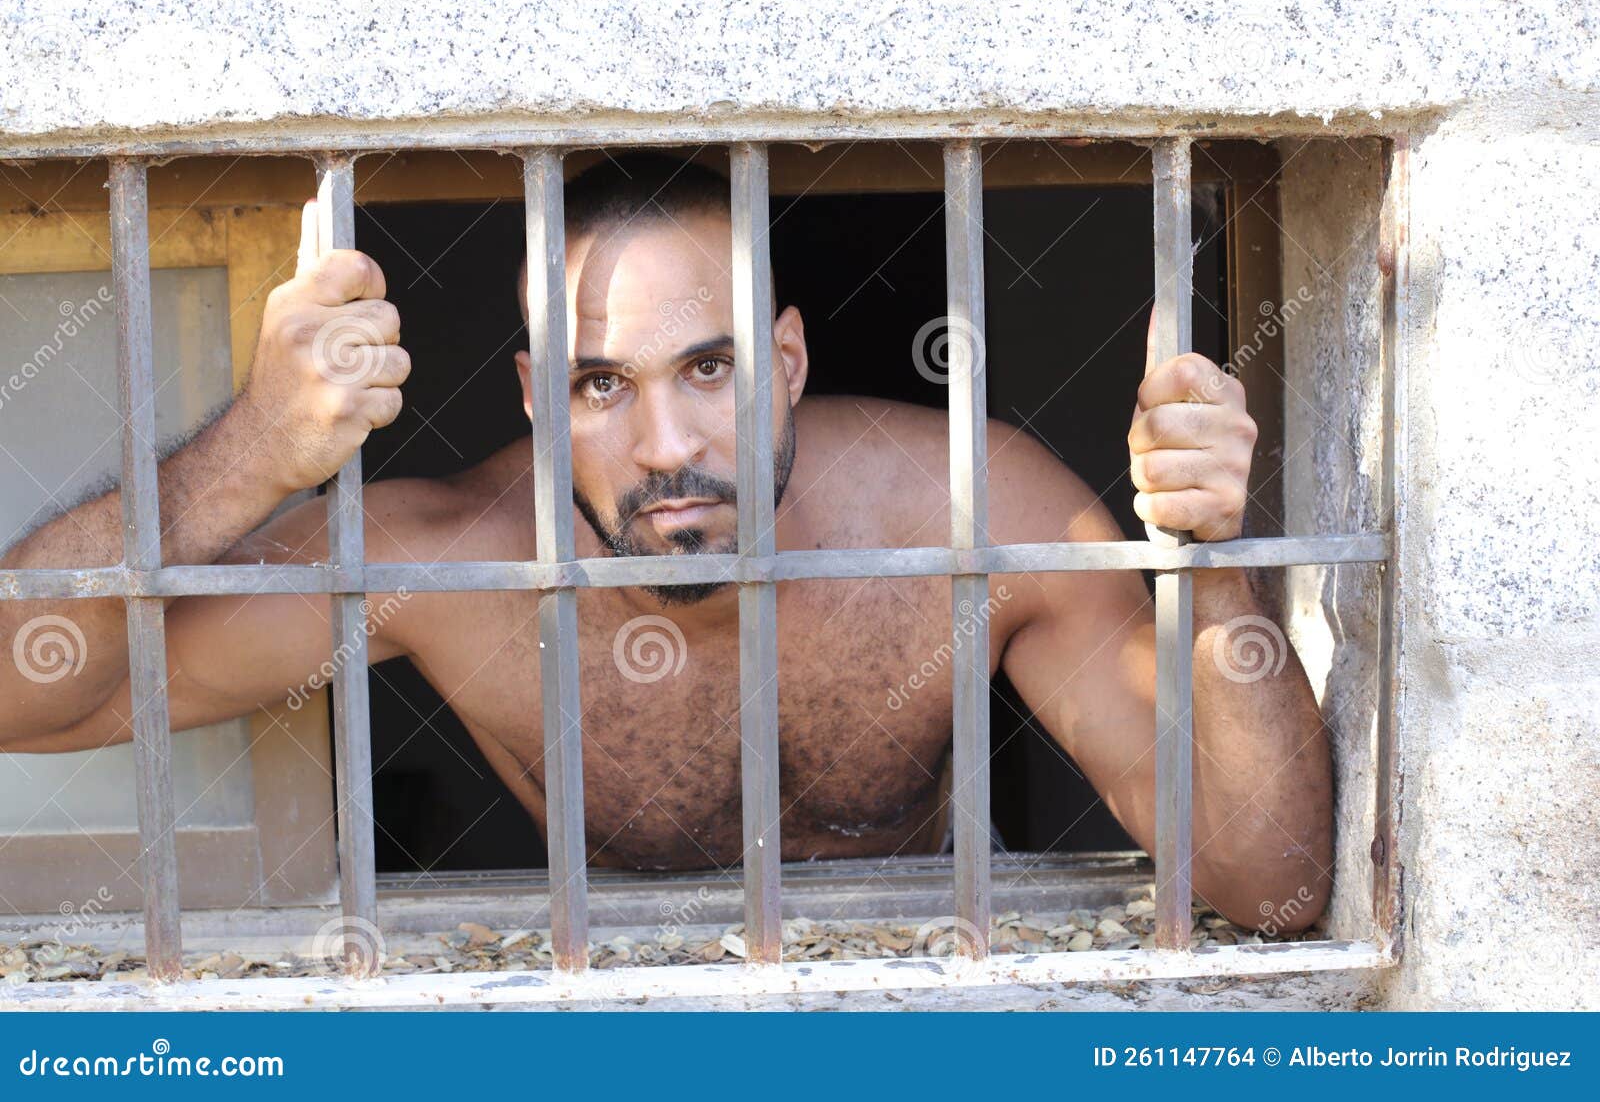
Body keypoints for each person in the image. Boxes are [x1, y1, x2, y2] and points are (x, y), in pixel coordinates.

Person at [0, 155, 1330, 932]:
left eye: (713, 367)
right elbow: (29, 692)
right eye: (600, 386)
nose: (665, 444)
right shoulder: (447, 566)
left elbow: (1268, 883)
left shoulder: (974, 513)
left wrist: (1210, 555)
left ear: (792, 358)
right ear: (534, 396)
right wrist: (259, 450)